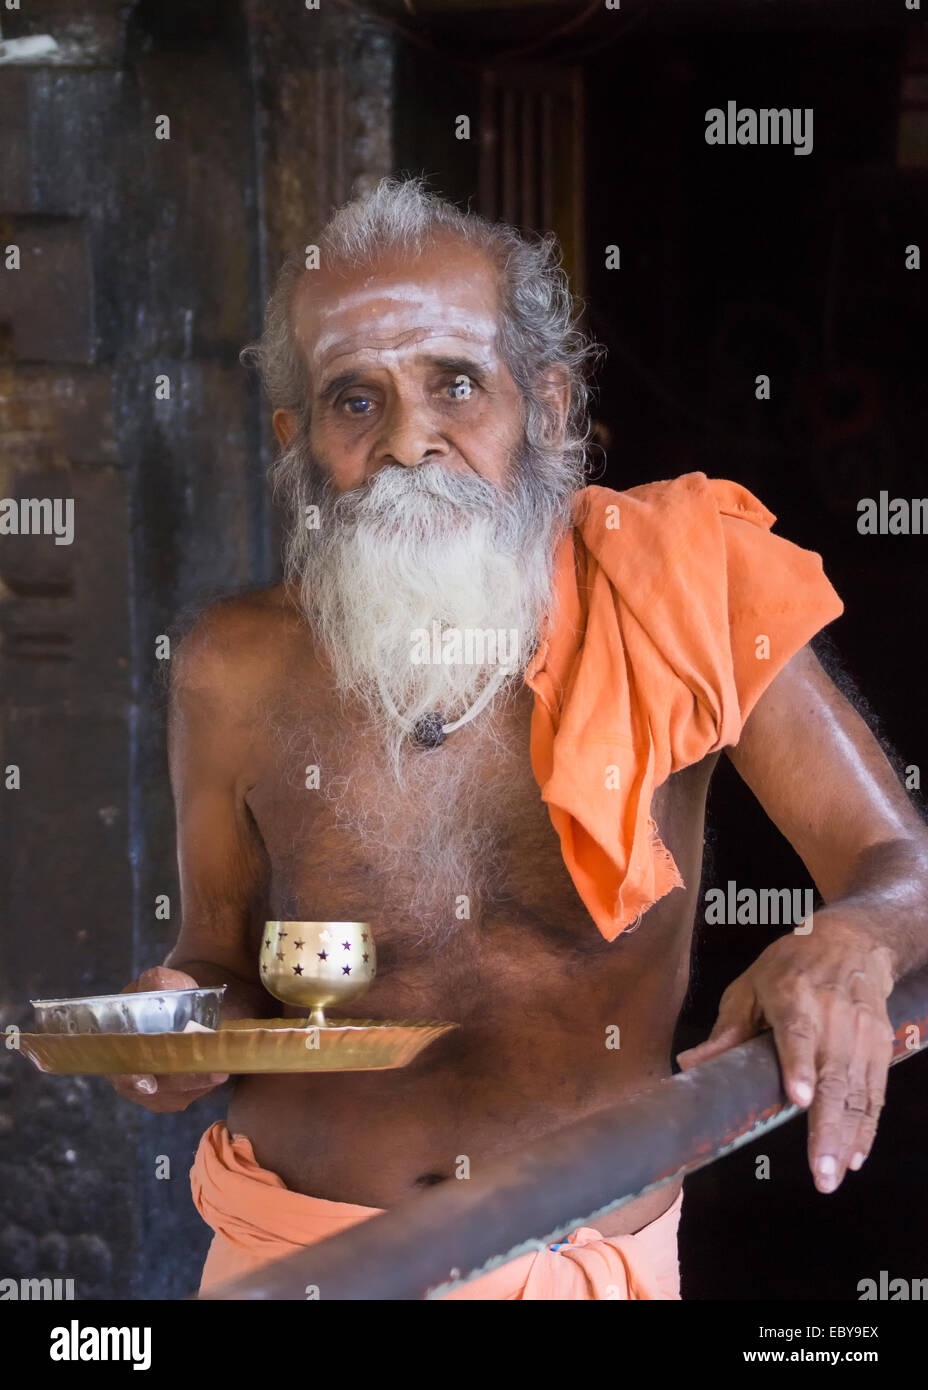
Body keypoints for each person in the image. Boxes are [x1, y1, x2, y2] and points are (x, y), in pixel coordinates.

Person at [112, 178, 928, 1300]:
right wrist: (175, 1026)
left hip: (582, 1267)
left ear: (545, 405)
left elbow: (905, 868)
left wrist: (854, 940)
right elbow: (222, 963)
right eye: (356, 400)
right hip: (293, 1256)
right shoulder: (233, 663)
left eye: (455, 383)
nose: (410, 441)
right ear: (297, 441)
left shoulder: (686, 586)